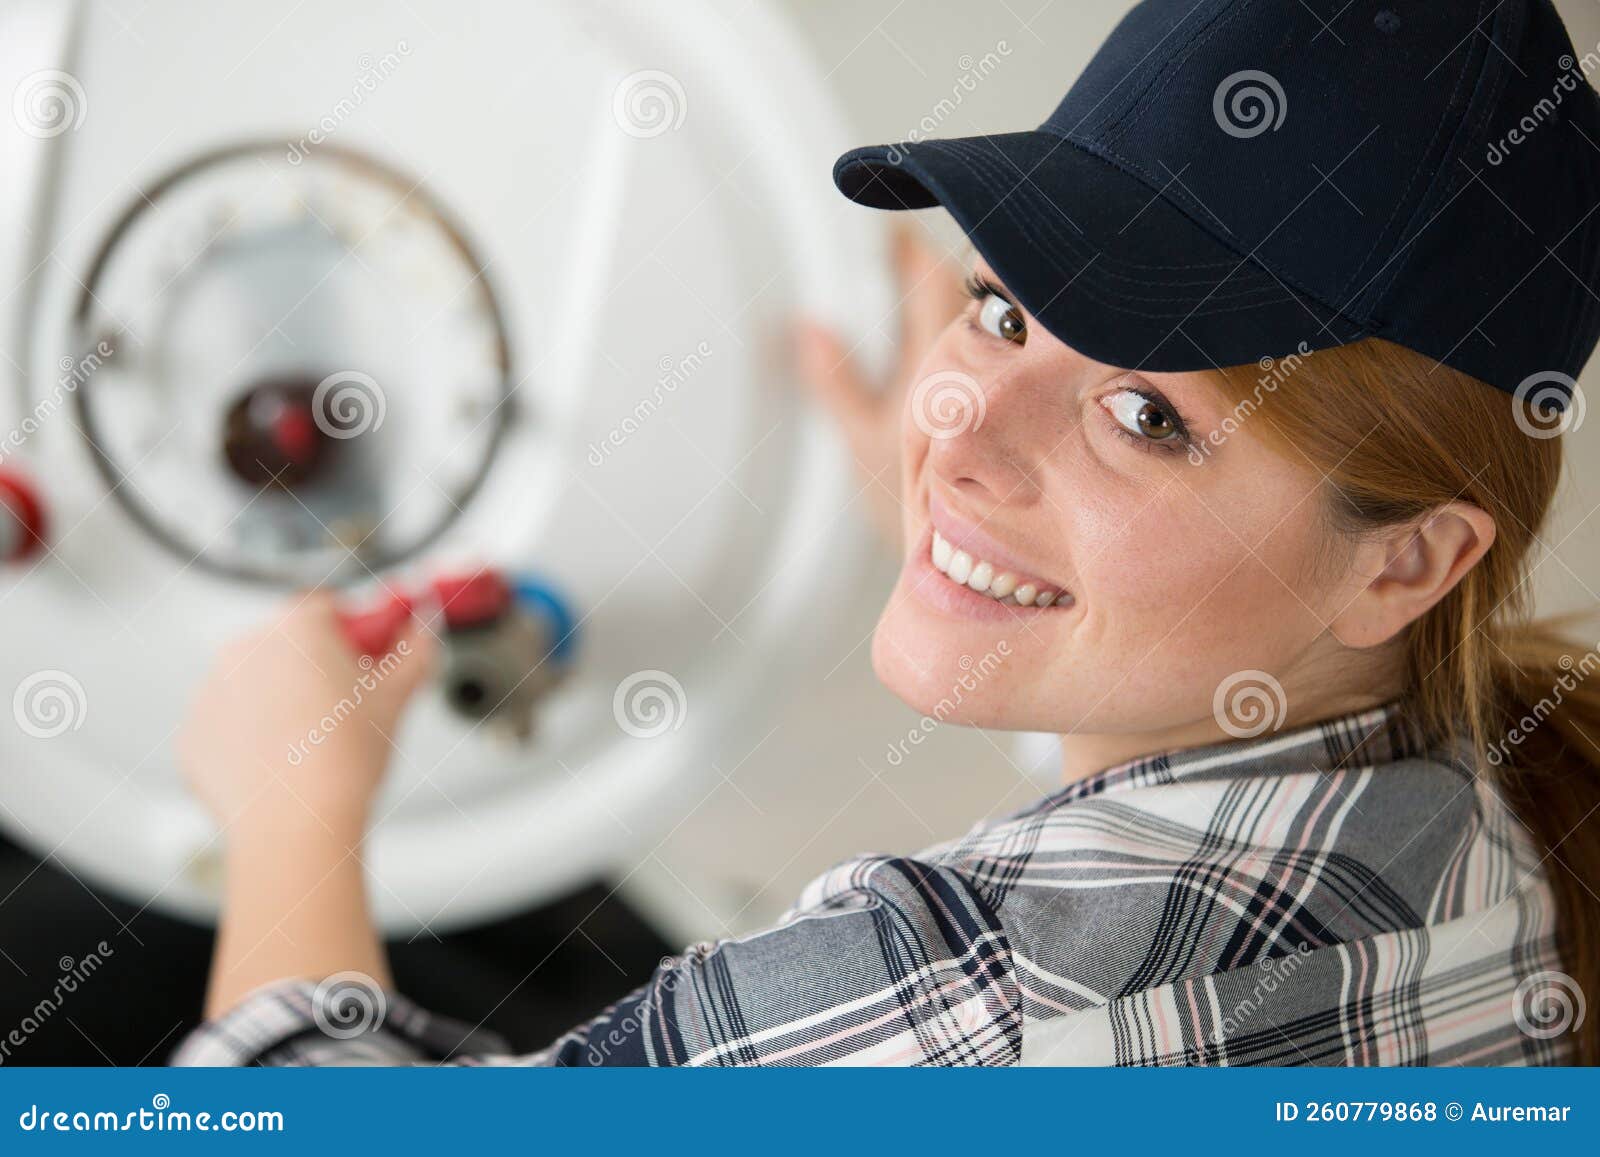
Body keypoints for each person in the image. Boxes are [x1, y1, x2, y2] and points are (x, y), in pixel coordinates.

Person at [173, 0, 1600, 1066]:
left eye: (1147, 416)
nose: (960, 422)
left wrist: (292, 803)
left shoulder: (979, 985)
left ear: (1406, 561)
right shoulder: (1480, 812)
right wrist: (1009, 544)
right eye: (1003, 310)